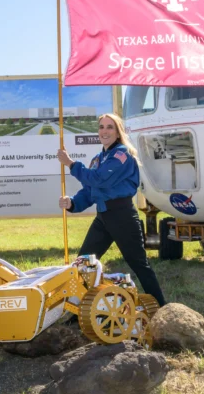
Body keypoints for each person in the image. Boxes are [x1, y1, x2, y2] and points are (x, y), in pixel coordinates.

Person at [58, 113, 167, 306]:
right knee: (84, 264)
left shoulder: (122, 155)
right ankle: (78, 311)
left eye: (110, 127)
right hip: (103, 218)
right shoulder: (98, 159)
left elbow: (99, 179)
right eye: (101, 127)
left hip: (122, 216)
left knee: (139, 265)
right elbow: (90, 191)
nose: (104, 131)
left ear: (118, 133)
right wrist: (73, 203)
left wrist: (71, 164)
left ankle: (161, 307)